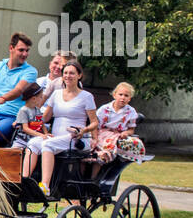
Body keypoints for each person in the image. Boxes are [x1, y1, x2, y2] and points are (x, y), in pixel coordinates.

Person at [27, 60, 97, 196]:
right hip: (57, 138)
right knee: (33, 144)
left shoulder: (86, 97)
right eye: (65, 73)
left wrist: (84, 130)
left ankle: (45, 186)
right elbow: (45, 117)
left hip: (75, 139)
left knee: (47, 144)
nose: (68, 76)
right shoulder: (56, 94)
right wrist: (26, 120)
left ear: (79, 75)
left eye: (72, 73)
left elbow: (94, 122)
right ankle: (25, 181)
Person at [93, 82, 151, 164]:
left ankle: (124, 158)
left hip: (119, 135)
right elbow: (95, 125)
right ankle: (104, 156)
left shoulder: (131, 111)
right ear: (114, 95)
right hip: (103, 133)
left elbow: (131, 129)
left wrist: (126, 132)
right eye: (120, 94)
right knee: (110, 142)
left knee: (136, 143)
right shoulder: (104, 109)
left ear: (129, 98)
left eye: (126, 96)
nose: (123, 98)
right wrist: (94, 138)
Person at [13, 82, 48, 177]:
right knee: (13, 154)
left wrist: (46, 134)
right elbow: (25, 128)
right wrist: (41, 135)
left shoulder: (37, 110)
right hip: (22, 140)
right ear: (34, 99)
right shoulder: (24, 110)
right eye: (41, 97)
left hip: (34, 140)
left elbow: (42, 124)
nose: (42, 99)